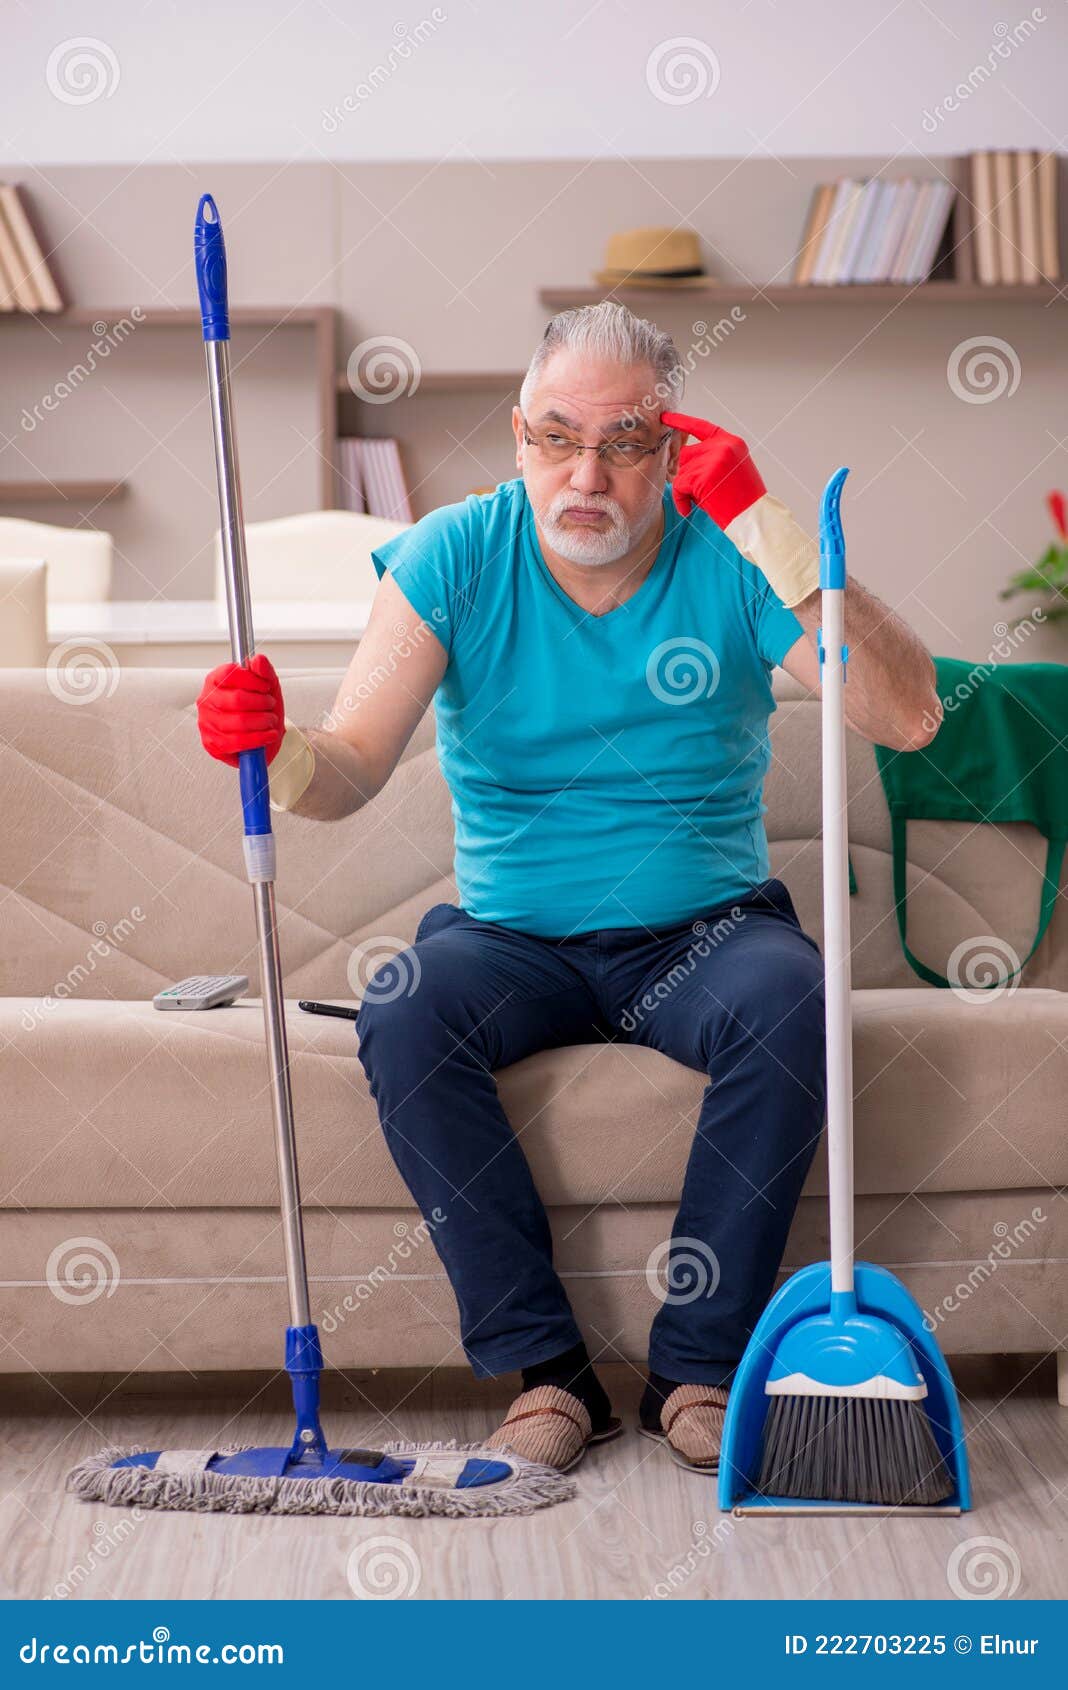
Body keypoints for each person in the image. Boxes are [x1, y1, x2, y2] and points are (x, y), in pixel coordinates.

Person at [197, 302, 939, 1474]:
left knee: (796, 996)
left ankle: (700, 1367)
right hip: (511, 940)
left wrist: (770, 532)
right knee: (404, 1002)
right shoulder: (454, 555)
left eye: (626, 442)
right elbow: (344, 770)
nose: (585, 472)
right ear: (517, 437)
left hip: (707, 935)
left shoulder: (734, 556)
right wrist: (275, 746)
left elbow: (907, 714)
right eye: (555, 437)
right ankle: (549, 1379)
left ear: (676, 450)